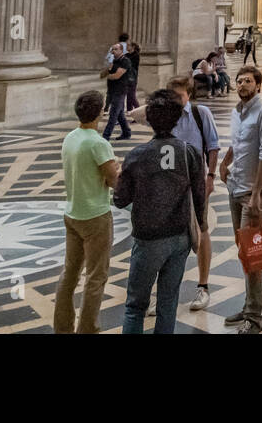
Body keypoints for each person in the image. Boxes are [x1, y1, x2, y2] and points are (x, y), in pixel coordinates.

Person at [114, 88, 207, 334]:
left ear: (150, 121)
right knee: (168, 303)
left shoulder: (137, 156)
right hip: (179, 237)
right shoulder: (189, 152)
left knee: (135, 306)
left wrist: (120, 176)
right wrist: (202, 225)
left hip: (149, 238)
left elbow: (120, 200)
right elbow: (199, 195)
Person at [128, 75, 221, 312]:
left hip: (195, 183)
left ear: (189, 94)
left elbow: (212, 146)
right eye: (172, 97)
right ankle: (162, 295)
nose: (176, 101)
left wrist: (210, 177)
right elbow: (134, 115)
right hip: (166, 186)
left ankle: (203, 287)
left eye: (180, 96)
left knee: (201, 229)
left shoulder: (201, 114)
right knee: (165, 237)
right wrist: (160, 102)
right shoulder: (163, 115)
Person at [220, 65, 262, 334]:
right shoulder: (237, 110)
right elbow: (239, 141)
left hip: (256, 192)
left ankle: (255, 317)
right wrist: (225, 162)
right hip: (236, 186)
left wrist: (256, 194)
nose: (242, 84)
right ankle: (249, 305)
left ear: (258, 85)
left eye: (247, 81)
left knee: (254, 254)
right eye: (239, 81)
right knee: (244, 251)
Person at [53, 90, 119, 334]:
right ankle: (87, 329)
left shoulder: (71, 137)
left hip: (72, 212)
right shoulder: (98, 143)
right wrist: (119, 169)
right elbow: (113, 180)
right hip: (95, 215)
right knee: (95, 277)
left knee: (70, 273)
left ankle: (62, 327)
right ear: (101, 112)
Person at [100, 42, 134, 140]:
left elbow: (116, 76)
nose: (113, 51)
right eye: (112, 49)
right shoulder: (114, 61)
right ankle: (126, 133)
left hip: (120, 90)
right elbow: (102, 75)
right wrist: (108, 67)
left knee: (113, 113)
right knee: (120, 115)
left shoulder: (125, 61)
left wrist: (109, 75)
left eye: (115, 49)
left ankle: (106, 136)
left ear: (121, 50)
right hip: (111, 90)